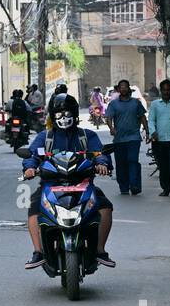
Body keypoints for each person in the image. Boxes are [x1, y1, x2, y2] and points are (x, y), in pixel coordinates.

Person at [21, 93, 116, 269]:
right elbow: (32, 155)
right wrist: (30, 167)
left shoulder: (86, 136)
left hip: (83, 184)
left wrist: (102, 163)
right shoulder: (45, 137)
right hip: (51, 185)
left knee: (105, 208)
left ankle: (100, 250)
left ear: (75, 114)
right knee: (34, 209)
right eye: (59, 114)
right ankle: (38, 252)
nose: (64, 118)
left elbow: (99, 153)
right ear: (52, 116)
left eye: (67, 113)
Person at [105, 79, 148, 196]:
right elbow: (108, 117)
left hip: (134, 138)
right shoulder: (113, 104)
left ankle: (134, 185)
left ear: (128, 89)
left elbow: (142, 117)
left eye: (125, 86)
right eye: (121, 87)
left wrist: (147, 131)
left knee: (133, 161)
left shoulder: (136, 103)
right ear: (118, 90)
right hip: (119, 139)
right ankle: (123, 186)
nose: (123, 88)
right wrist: (111, 128)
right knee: (121, 163)